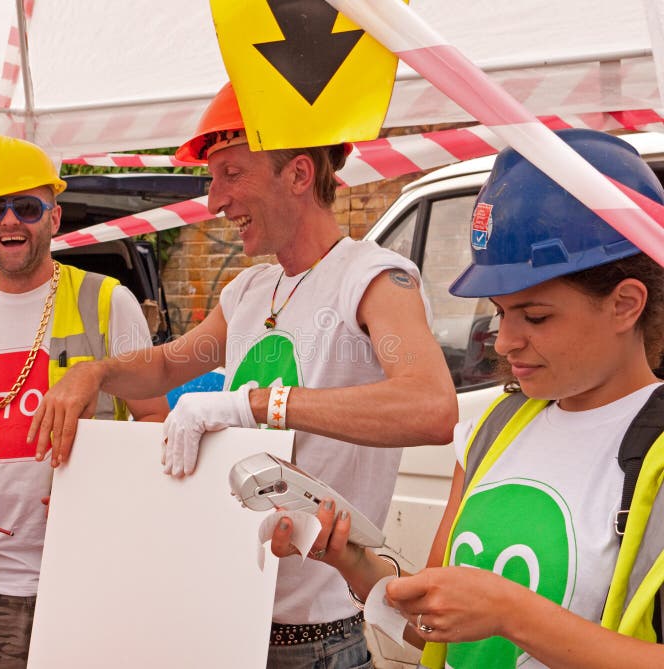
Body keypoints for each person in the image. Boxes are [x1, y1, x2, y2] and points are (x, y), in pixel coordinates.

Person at [28, 82, 458, 668]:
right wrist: (95, 372)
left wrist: (257, 406)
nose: (214, 200)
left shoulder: (376, 278)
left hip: (316, 640)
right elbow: (165, 364)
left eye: (231, 174)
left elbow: (431, 408)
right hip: (227, 617)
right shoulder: (250, 288)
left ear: (299, 175)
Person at [271, 129, 664, 667]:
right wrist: (355, 563)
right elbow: (437, 632)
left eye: (536, 316)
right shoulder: (493, 431)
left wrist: (512, 615)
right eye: (501, 313)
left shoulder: (655, 452)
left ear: (625, 305)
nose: (504, 342)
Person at [0, 135, 169, 669]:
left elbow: (155, 424)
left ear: (54, 218)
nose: (10, 221)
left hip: (94, 572)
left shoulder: (107, 303)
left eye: (27, 207)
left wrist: (106, 490)